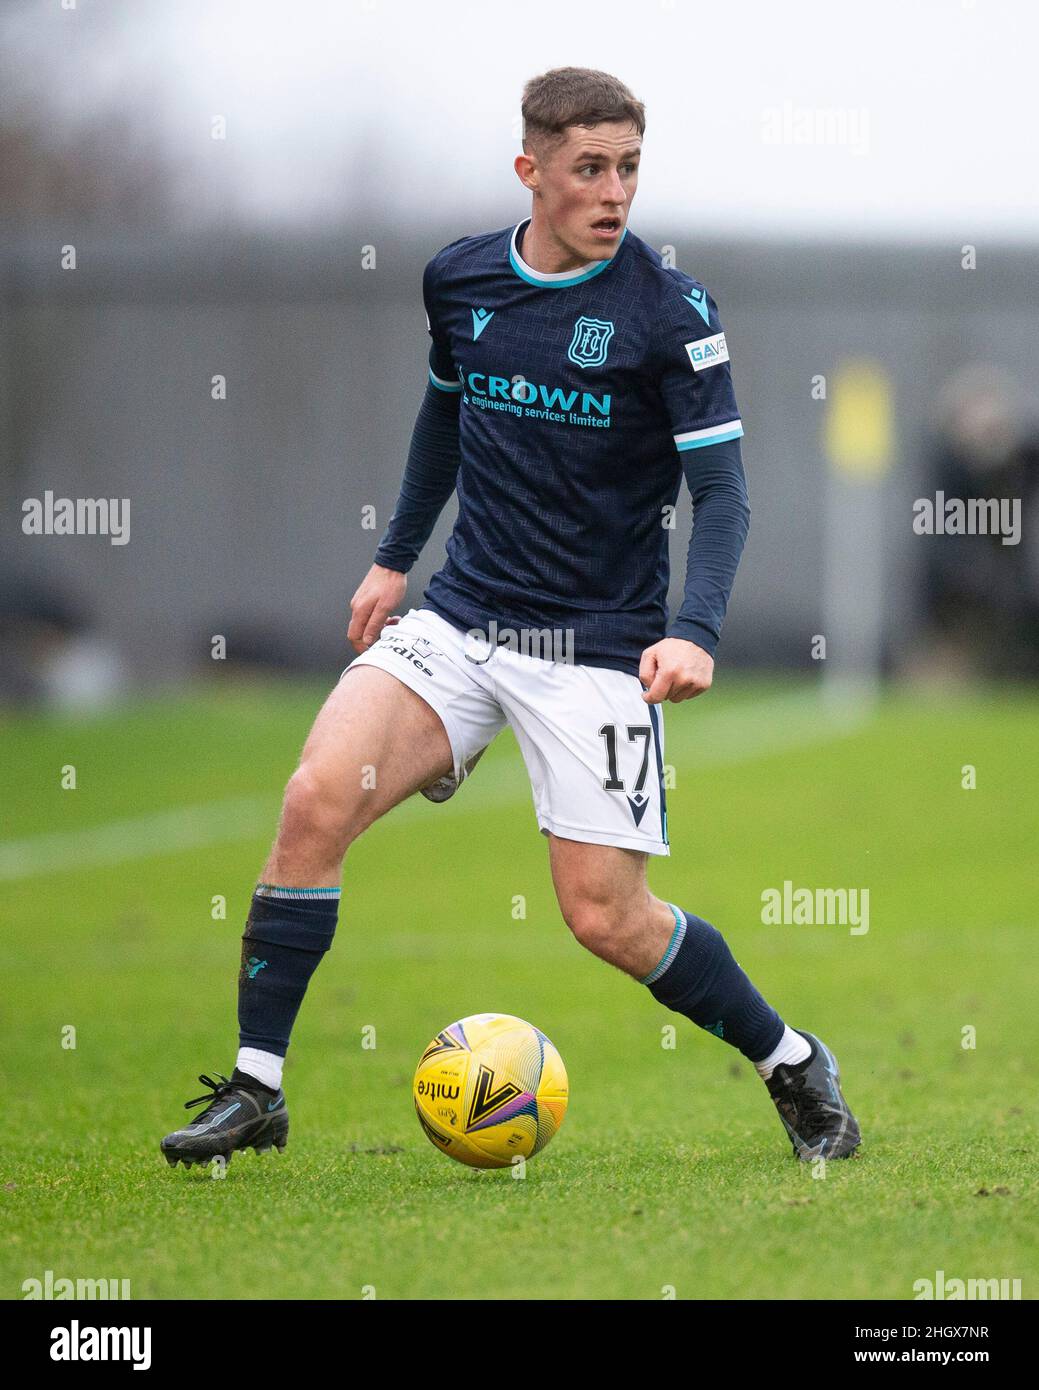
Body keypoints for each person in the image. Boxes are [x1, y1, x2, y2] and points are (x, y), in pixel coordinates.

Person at [161, 66, 860, 1169]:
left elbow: (721, 494)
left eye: (628, 168)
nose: (613, 192)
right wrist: (393, 559)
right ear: (530, 169)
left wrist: (695, 629)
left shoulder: (669, 313)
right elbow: (443, 416)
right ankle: (256, 1089)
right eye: (590, 168)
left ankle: (790, 1059)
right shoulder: (460, 278)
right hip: (460, 622)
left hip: (594, 648)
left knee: (606, 918)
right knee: (311, 802)